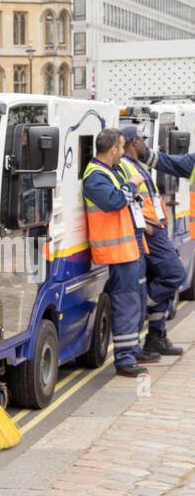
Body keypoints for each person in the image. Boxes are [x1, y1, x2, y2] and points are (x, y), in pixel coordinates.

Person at [83, 128, 154, 378]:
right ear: (113, 149)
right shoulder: (94, 176)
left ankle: (132, 349)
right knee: (125, 303)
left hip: (130, 248)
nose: (123, 152)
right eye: (121, 148)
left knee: (134, 301)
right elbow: (113, 201)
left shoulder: (111, 171)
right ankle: (124, 359)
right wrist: (131, 186)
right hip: (117, 251)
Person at [119, 127, 184, 357]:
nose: (145, 145)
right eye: (143, 140)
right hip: (150, 232)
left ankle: (155, 337)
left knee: (163, 278)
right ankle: (142, 302)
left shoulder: (138, 164)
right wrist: (145, 227)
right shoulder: (126, 166)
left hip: (156, 229)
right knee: (176, 274)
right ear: (134, 142)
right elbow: (126, 200)